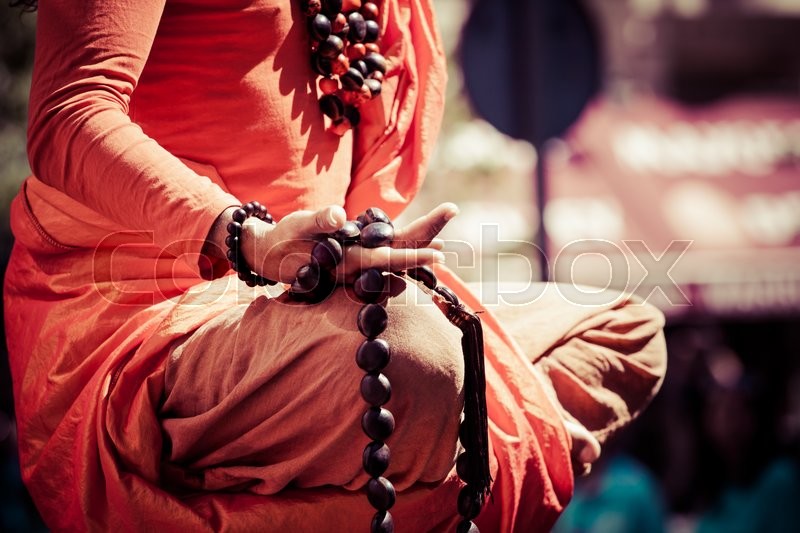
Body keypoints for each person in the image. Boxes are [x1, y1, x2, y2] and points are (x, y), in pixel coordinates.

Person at [3, 0, 667, 531]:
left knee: (625, 331)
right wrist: (246, 238)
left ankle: (452, 445)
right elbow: (69, 115)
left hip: (320, 316)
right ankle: (469, 455)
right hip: (153, 316)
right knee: (416, 362)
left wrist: (352, 263)